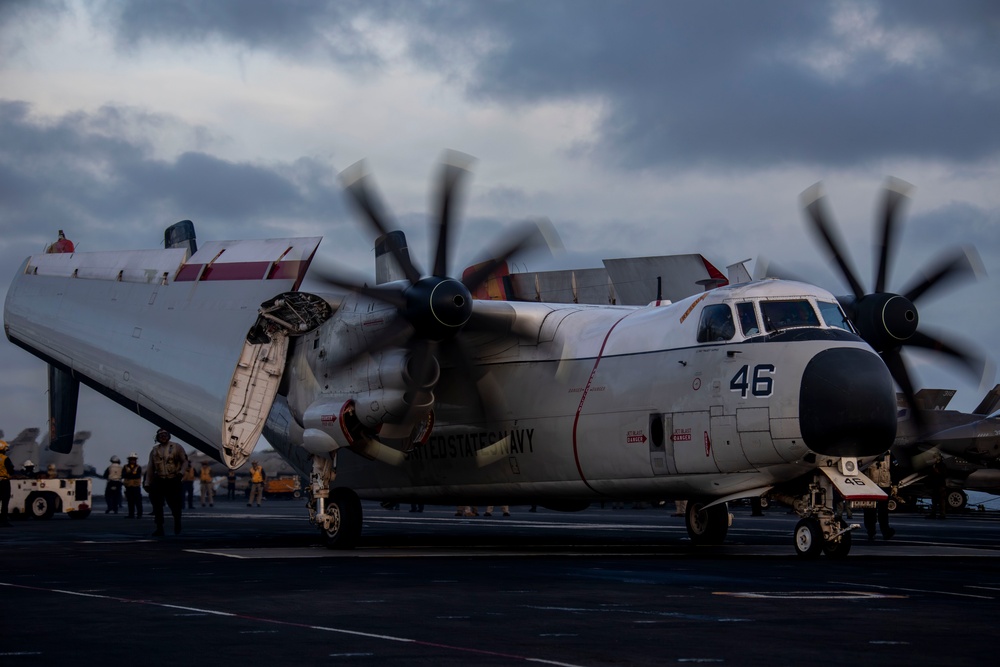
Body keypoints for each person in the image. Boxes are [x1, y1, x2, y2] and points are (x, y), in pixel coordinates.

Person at [143, 428, 188, 536]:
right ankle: (159, 527)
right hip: (160, 480)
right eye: (161, 435)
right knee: (157, 505)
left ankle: (177, 523)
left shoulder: (177, 447)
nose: (163, 437)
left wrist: (181, 473)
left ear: (169, 436)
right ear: (157, 438)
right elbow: (150, 467)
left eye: (165, 434)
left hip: (173, 479)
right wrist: (147, 483)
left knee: (175, 505)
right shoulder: (154, 450)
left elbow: (185, 461)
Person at [863, 454, 895, 540]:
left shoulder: (889, 454)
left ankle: (885, 531)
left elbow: (894, 469)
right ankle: (871, 530)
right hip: (870, 485)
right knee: (869, 509)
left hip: (884, 485)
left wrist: (895, 484)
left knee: (883, 510)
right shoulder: (867, 452)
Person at [122, 452, 143, 519]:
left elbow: (138, 475)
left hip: (136, 487)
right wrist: (131, 474)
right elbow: (123, 475)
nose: (132, 461)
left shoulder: (138, 467)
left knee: (138, 501)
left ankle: (139, 514)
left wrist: (129, 474)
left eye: (133, 459)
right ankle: (131, 514)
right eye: (131, 459)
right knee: (130, 502)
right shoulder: (125, 467)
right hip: (128, 487)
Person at [0, 440, 14, 527]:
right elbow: (11, 471)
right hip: (4, 482)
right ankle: (3, 521)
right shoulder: (5, 459)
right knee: (5, 502)